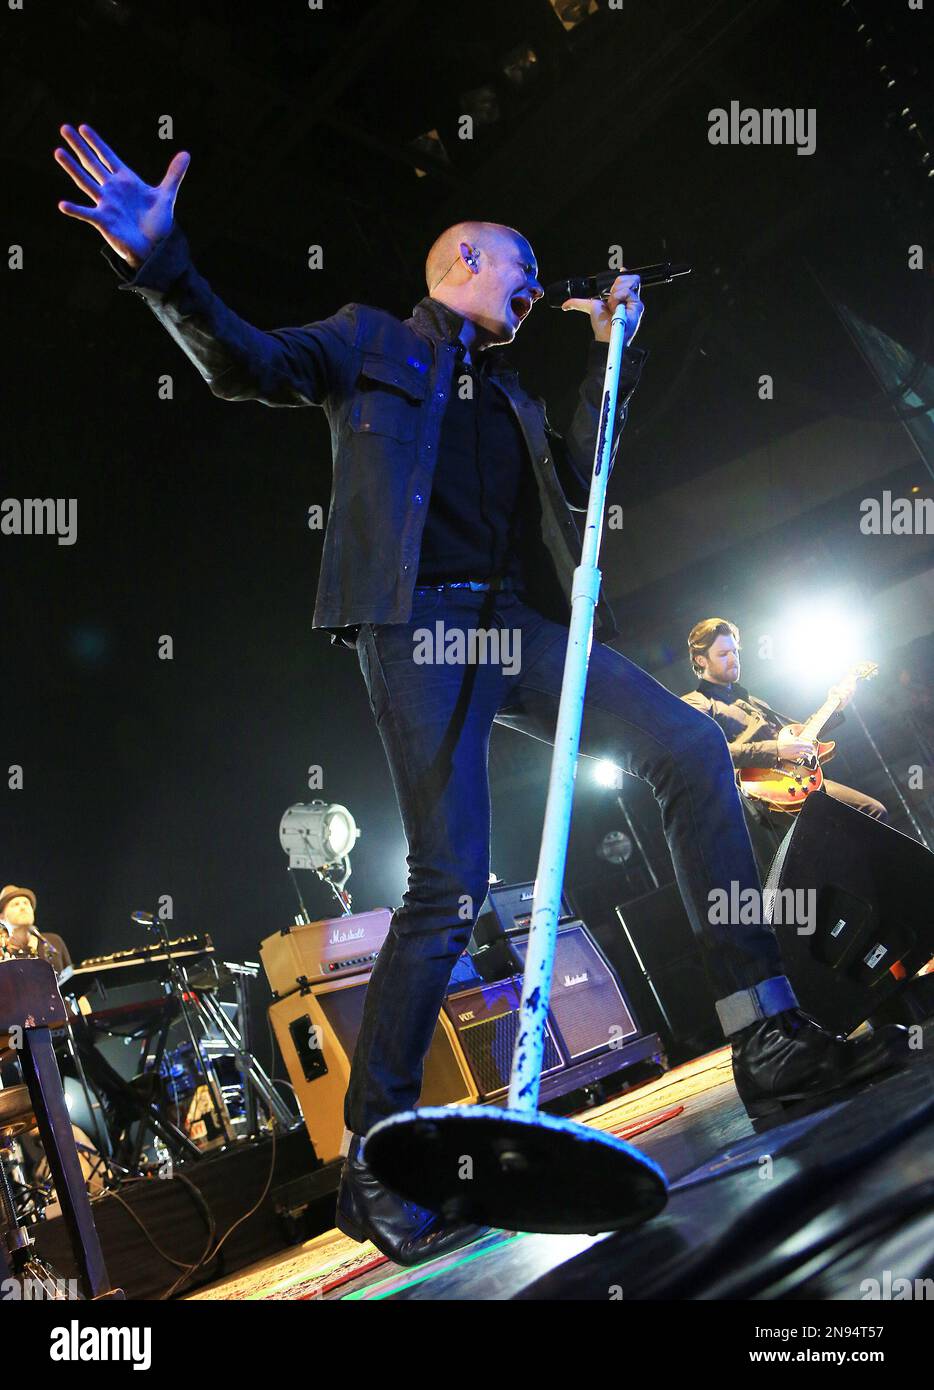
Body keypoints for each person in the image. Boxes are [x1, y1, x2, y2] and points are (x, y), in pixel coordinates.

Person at [54, 123, 909, 1266]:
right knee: (449, 882)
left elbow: (583, 482)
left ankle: (765, 1035)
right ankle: (377, 1156)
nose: (533, 280)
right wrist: (162, 263)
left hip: (518, 627)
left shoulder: (506, 398)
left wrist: (620, 354)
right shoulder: (367, 343)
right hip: (417, 625)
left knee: (689, 751)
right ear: (461, 264)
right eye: (519, 263)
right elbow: (242, 364)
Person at [682, 619, 887, 867]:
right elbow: (709, 753)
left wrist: (835, 706)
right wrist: (775, 749)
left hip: (799, 780)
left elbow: (800, 737)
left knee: (870, 816)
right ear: (701, 660)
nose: (733, 658)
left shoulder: (751, 700)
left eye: (735, 651)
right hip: (767, 792)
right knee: (850, 832)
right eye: (723, 654)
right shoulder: (697, 703)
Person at [0, 885, 72, 975]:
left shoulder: (54, 941)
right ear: (1, 917)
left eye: (26, 903)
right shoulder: (2, 952)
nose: (23, 908)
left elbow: (71, 983)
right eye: (16, 904)